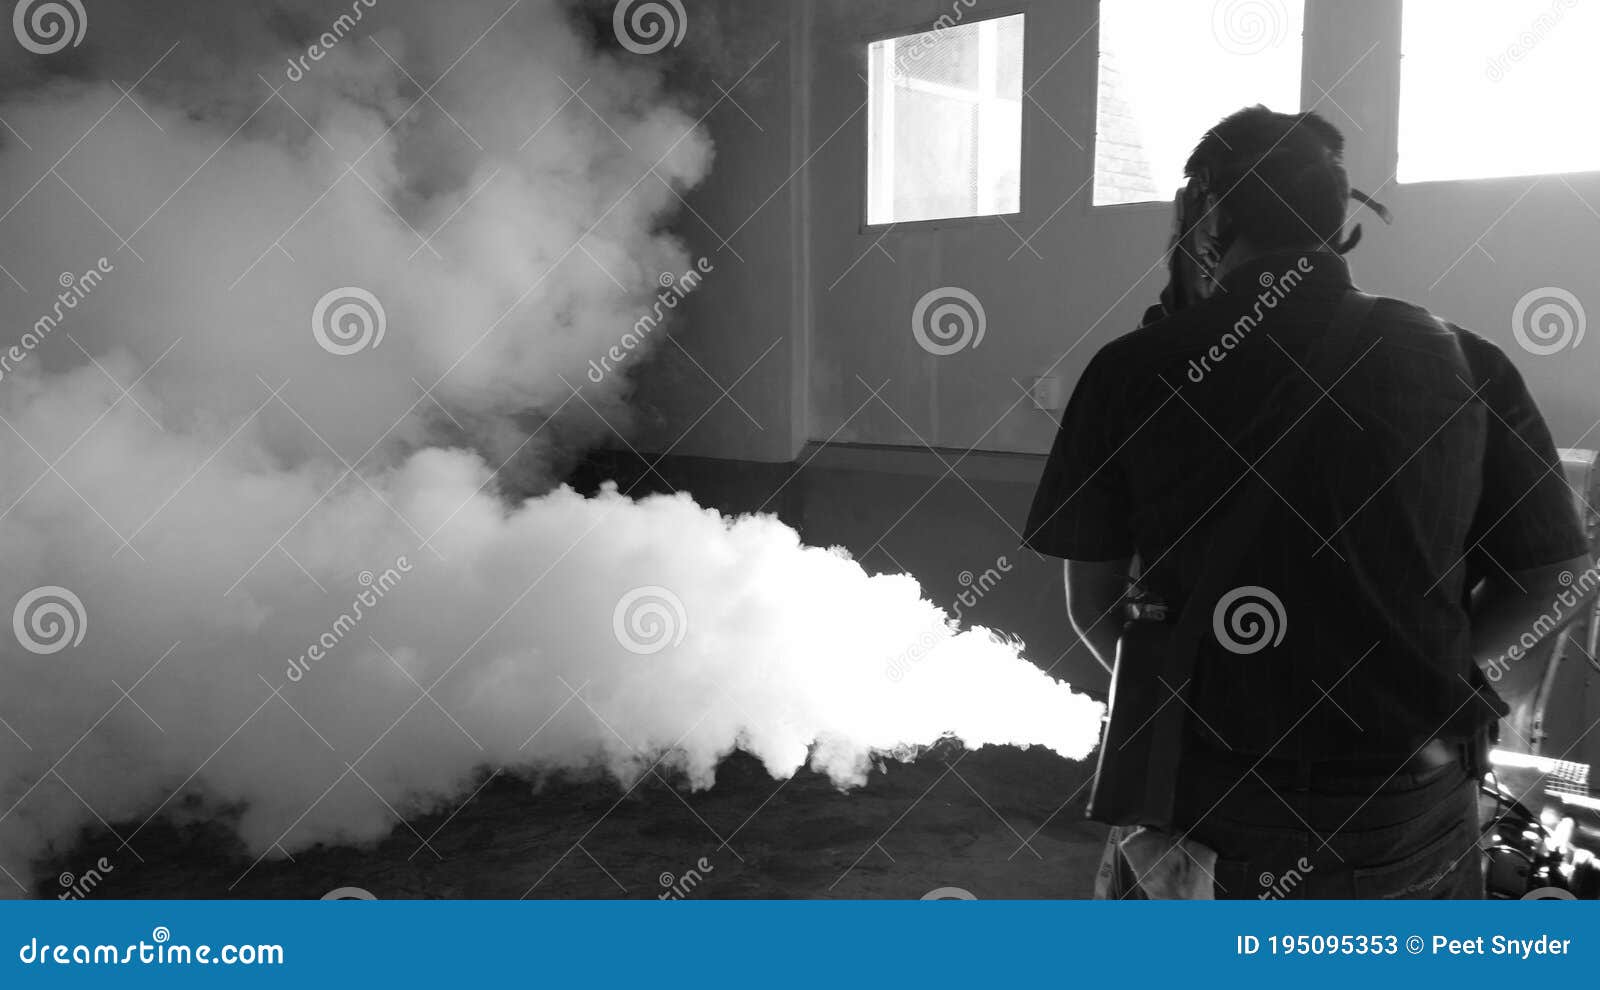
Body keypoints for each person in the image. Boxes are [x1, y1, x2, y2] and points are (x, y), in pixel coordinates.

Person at [1023, 106, 1592, 899]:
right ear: (1337, 218)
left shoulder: (1132, 371)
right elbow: (1561, 575)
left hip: (1211, 810)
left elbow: (1095, 610)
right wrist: (1441, 667)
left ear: (1211, 217)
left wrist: (1189, 709)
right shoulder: (1466, 360)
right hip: (1416, 803)